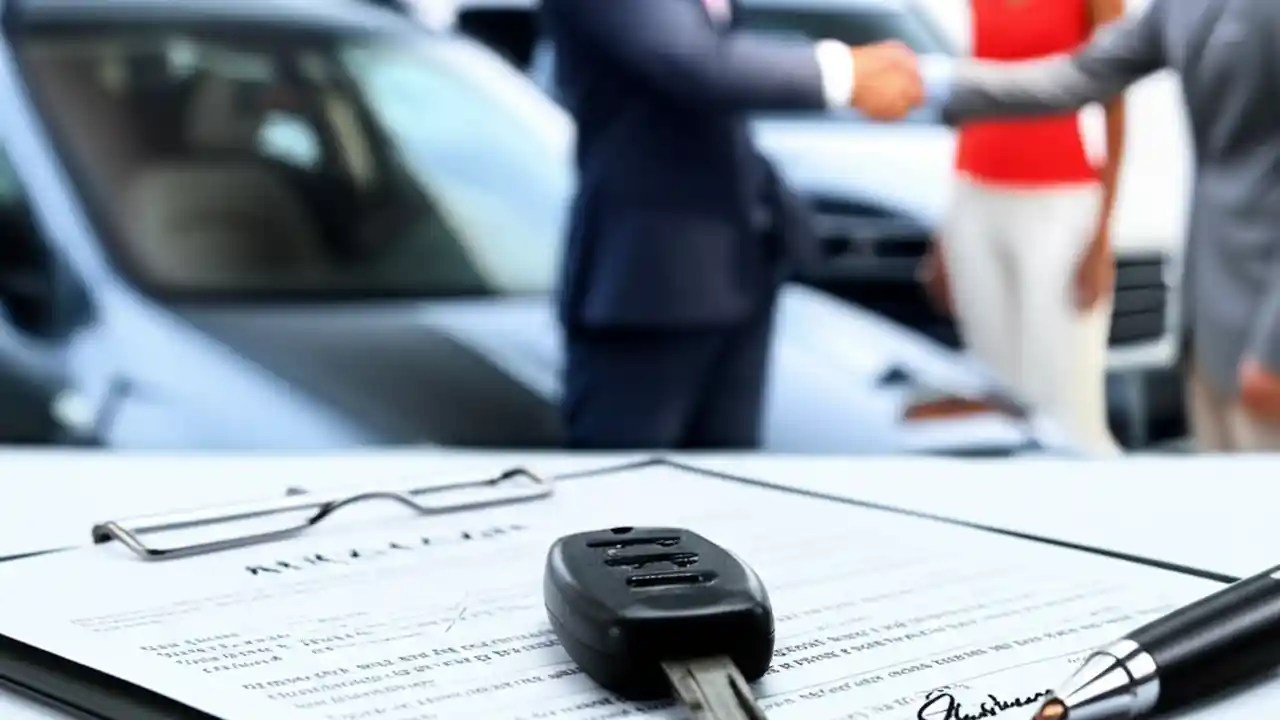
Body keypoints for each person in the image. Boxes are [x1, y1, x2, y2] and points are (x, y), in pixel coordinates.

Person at [539, 0, 922, 449]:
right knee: (625, 490)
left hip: (734, 263)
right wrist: (845, 73)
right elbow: (690, 61)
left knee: (729, 489)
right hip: (648, 275)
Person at [919, 0, 1280, 452]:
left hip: (1263, 330)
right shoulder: (1179, 9)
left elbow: (1109, 101)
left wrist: (1275, 348)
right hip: (1208, 320)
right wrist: (926, 81)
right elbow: (1077, 77)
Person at [919, 0, 1127, 456]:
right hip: (977, 193)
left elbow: (1114, 96)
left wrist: (1103, 238)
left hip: (1059, 201)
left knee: (1066, 407)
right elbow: (977, 82)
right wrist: (947, 225)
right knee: (993, 400)